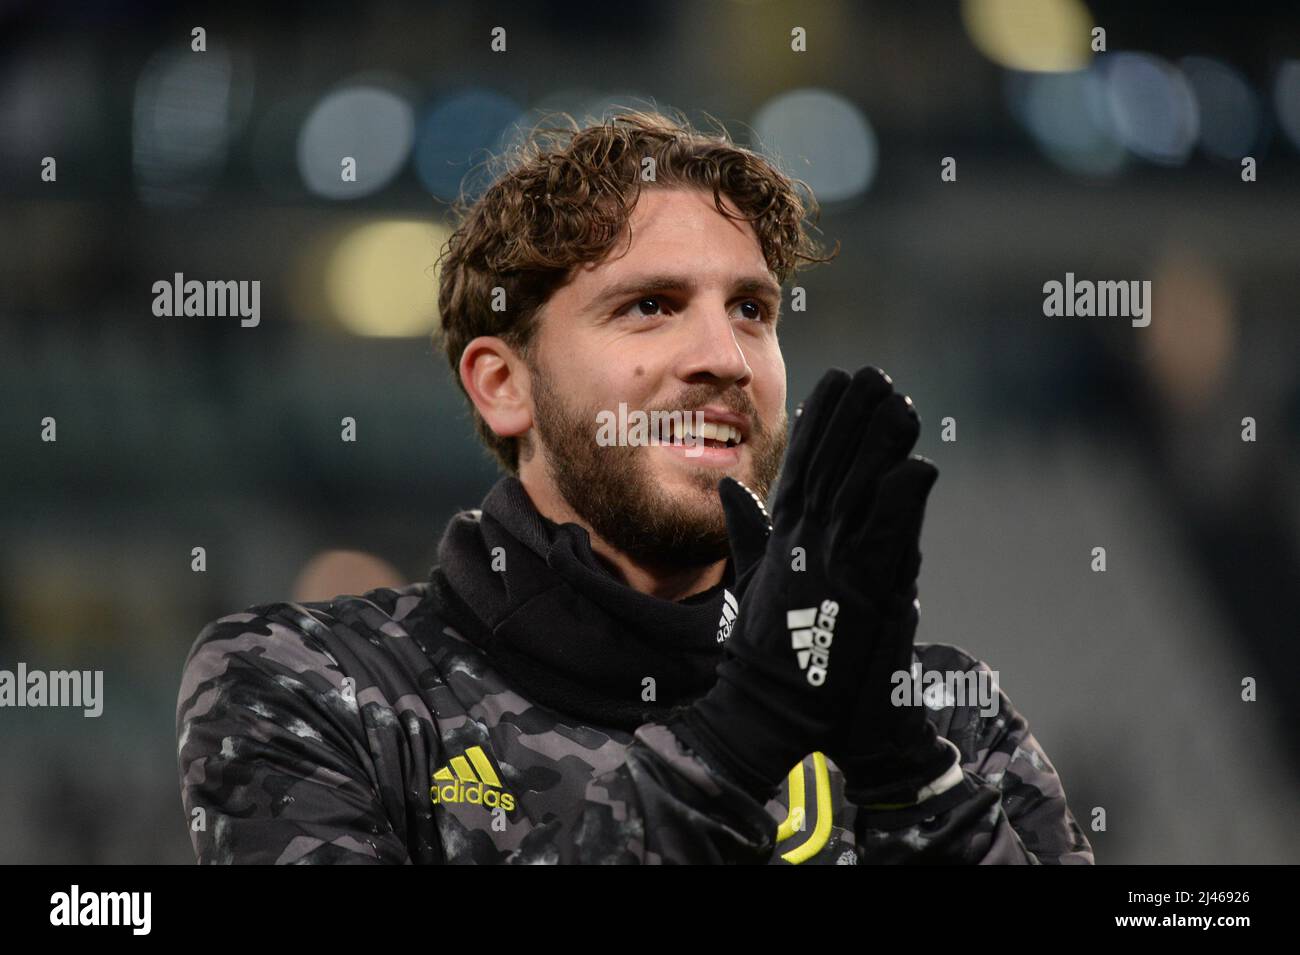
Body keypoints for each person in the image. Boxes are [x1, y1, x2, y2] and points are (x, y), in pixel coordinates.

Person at [175, 110, 1093, 864]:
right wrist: (743, 736)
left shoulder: (944, 719)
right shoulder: (312, 684)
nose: (724, 358)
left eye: (751, 310)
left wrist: (907, 780)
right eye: (649, 305)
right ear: (504, 383)